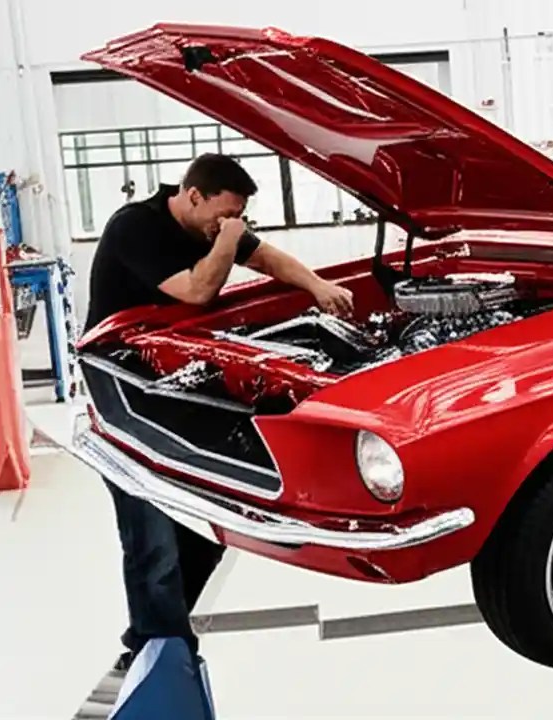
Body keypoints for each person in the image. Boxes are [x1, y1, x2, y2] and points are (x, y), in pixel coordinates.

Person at [84, 153, 354, 673]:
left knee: (206, 522)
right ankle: (160, 649)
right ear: (194, 196)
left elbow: (268, 258)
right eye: (224, 214)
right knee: (150, 524)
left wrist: (317, 285)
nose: (230, 224)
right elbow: (198, 291)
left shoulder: (213, 223)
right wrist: (229, 239)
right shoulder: (136, 227)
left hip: (167, 379)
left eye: (237, 216)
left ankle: (156, 629)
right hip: (117, 381)